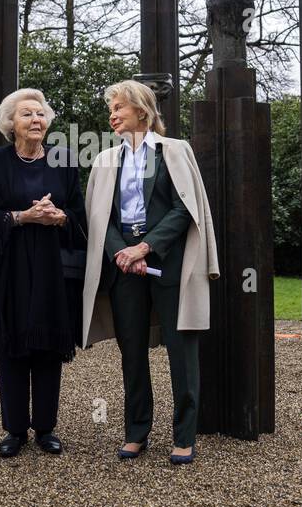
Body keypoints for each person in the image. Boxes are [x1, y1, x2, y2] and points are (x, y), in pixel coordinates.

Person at [80, 80, 218, 465]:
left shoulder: (175, 151)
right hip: (124, 266)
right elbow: (99, 215)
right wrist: (123, 253)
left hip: (169, 262)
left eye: (119, 107)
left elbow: (183, 208)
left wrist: (147, 246)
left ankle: (184, 435)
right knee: (132, 352)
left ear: (142, 110)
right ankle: (136, 431)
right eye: (111, 108)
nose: (113, 114)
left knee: (181, 349)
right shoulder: (105, 159)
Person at [0, 89, 86, 458]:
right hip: (10, 267)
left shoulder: (64, 160)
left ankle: (46, 428)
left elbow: (80, 215)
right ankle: (14, 429)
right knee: (11, 342)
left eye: (41, 114)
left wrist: (59, 216)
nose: (36, 120)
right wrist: (22, 217)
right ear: (10, 124)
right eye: (27, 114)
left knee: (48, 343)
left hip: (52, 269)